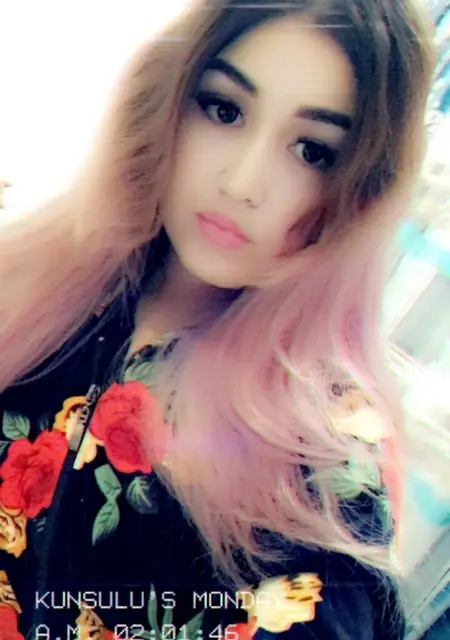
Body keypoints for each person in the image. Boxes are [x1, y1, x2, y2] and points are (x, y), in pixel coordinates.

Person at [0, 0, 436, 638]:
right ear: (171, 96)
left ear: (360, 191)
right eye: (225, 110)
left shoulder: (318, 454)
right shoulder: (53, 267)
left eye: (312, 151)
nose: (243, 182)